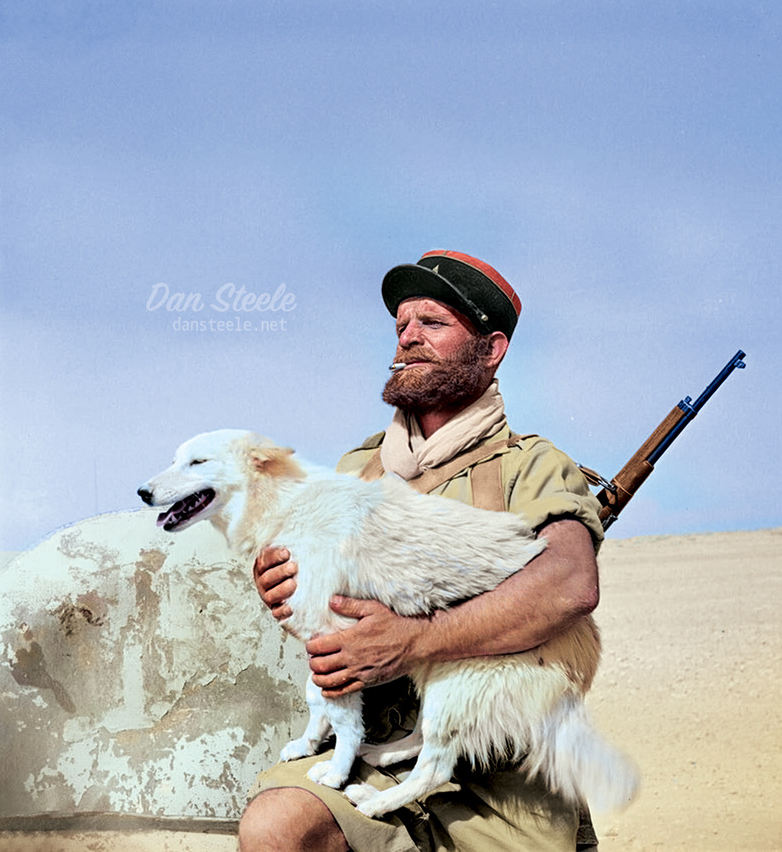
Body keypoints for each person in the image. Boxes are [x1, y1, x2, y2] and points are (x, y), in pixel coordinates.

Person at [238, 250, 605, 852]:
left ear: (491, 350)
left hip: (498, 782)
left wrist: (414, 641)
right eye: (401, 326)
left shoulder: (533, 466)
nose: (408, 338)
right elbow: (322, 600)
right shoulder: (356, 470)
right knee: (276, 828)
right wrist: (281, 579)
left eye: (432, 323)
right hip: (369, 754)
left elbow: (570, 583)